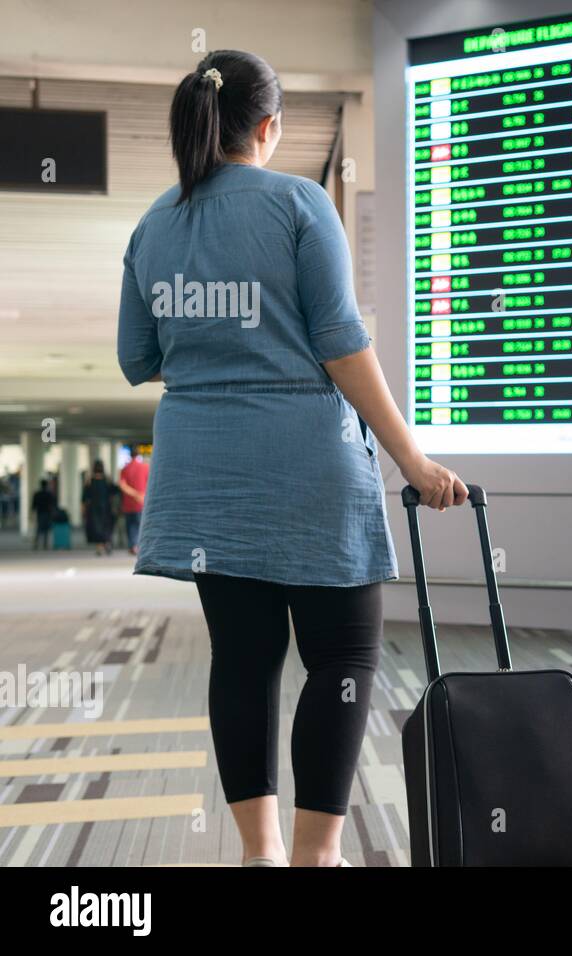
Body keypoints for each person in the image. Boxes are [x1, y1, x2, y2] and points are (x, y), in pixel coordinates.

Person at [116, 50, 467, 868]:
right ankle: (316, 856)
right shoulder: (301, 204)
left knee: (243, 659)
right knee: (341, 658)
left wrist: (219, 352)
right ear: (268, 128)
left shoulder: (153, 224)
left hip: (201, 476)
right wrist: (413, 461)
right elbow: (343, 346)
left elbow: (139, 357)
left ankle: (260, 852)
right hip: (309, 469)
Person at [82, 460, 118, 556]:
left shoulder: (89, 481)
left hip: (93, 508)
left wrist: (83, 509)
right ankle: (106, 543)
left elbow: (84, 497)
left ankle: (99, 547)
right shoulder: (107, 480)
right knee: (106, 526)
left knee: (96, 527)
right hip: (106, 507)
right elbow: (115, 491)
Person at [118, 446, 150, 555]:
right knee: (141, 525)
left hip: (128, 504)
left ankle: (133, 545)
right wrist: (141, 495)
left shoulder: (124, 469)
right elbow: (150, 484)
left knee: (130, 525)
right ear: (138, 455)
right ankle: (139, 546)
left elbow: (122, 485)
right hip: (142, 502)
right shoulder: (145, 467)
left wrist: (133, 494)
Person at [30, 479, 57, 549]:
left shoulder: (37, 494)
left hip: (40, 513)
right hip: (47, 513)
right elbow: (52, 504)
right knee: (46, 529)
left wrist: (32, 513)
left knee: (38, 529)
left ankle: (36, 544)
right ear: (46, 485)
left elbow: (33, 505)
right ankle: (45, 544)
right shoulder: (49, 494)